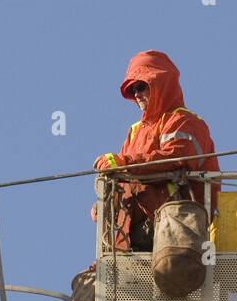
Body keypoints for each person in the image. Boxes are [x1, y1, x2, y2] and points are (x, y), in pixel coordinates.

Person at [93, 50, 220, 251]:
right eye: (133, 89)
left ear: (160, 84)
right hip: (133, 236)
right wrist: (105, 203)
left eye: (142, 86)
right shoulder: (135, 131)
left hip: (176, 228)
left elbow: (176, 157)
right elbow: (124, 177)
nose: (136, 94)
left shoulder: (185, 122)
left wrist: (125, 162)